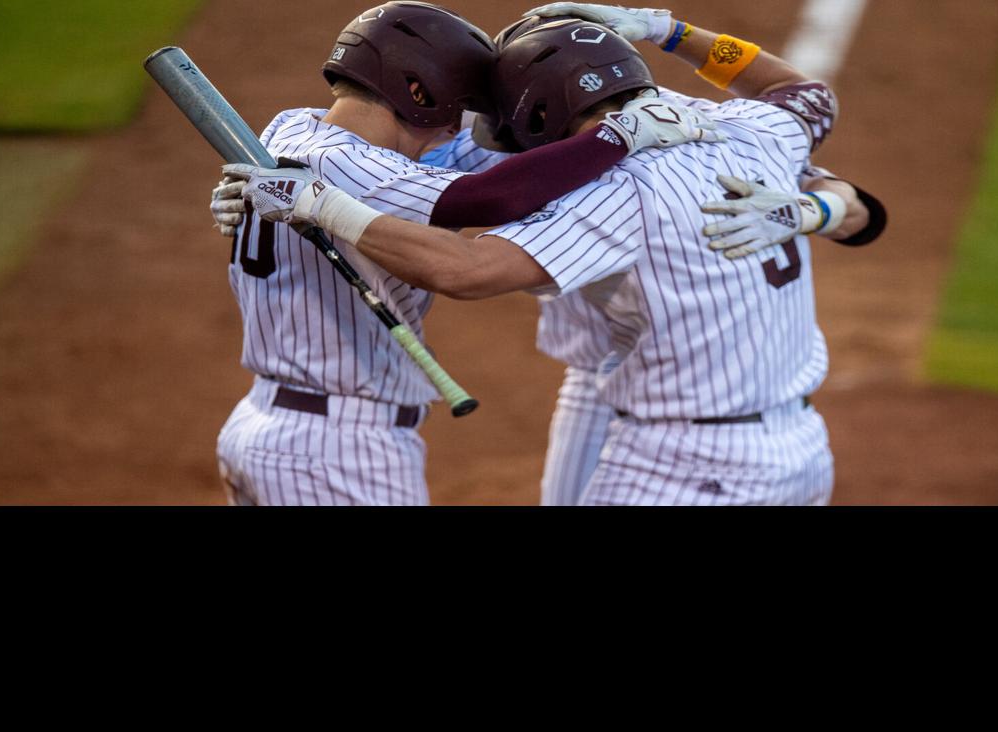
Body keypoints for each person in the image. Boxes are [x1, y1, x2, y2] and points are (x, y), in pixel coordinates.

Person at [229, 5, 884, 505]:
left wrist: (324, 205)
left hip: (680, 462)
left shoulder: (286, 128)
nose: (465, 133)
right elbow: (804, 96)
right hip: (796, 446)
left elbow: (468, 263)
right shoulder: (740, 132)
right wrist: (671, 31)